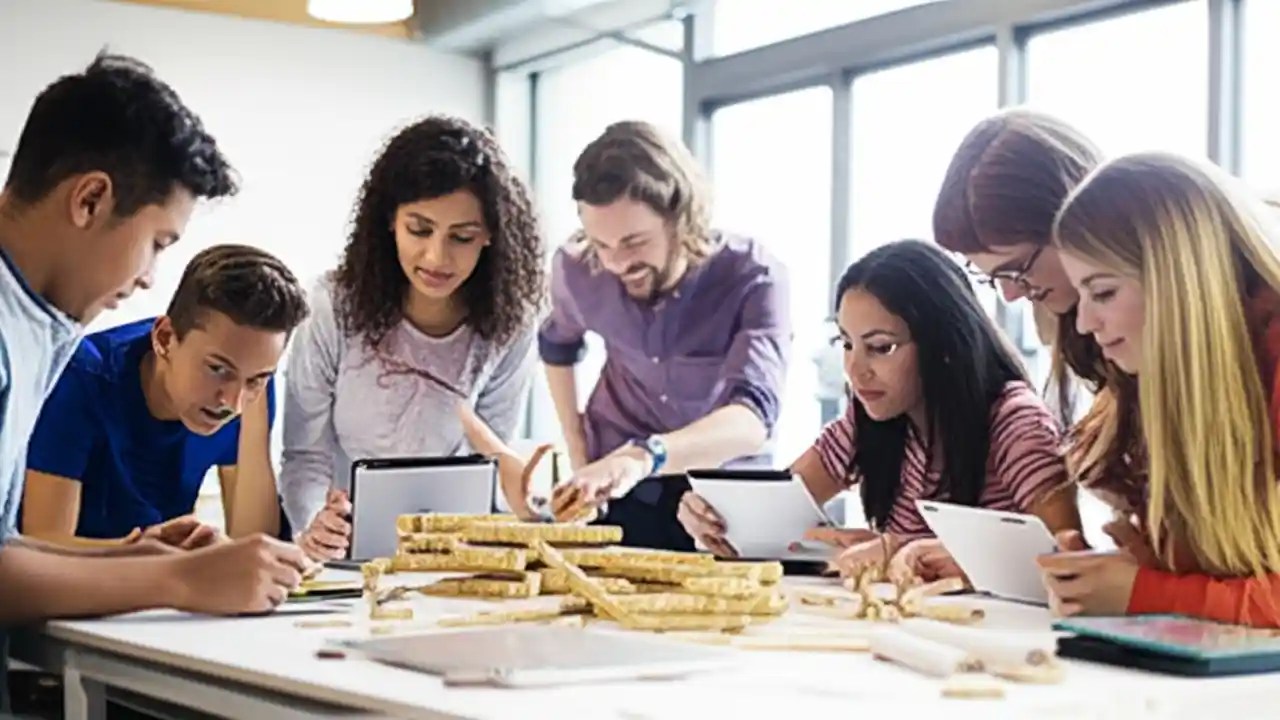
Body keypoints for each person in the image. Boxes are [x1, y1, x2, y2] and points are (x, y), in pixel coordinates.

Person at [0, 53, 308, 711]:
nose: (147, 278)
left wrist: (131, 556)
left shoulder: (35, 324)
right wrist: (176, 579)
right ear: (90, 199)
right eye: (159, 242)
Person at [678, 240, 1081, 576]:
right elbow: (773, 512)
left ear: (944, 346)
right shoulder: (869, 417)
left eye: (880, 348)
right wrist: (716, 519)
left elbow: (1064, 557)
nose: (855, 369)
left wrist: (898, 550)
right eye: (847, 343)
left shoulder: (1014, 420)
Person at [280, 115, 545, 560]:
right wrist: (313, 531)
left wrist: (530, 506)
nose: (436, 257)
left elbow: (490, 462)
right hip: (339, 554)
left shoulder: (511, 324)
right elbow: (304, 454)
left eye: (462, 236)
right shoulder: (331, 307)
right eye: (419, 230)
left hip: (449, 552)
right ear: (389, 221)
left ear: (491, 238)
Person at [1038, 152, 1280, 627]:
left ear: (1178, 279)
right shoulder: (1183, 380)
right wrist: (1153, 567)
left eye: (1103, 292)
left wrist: (1150, 590)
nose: (1085, 323)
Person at [539, 120, 792, 548]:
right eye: (601, 243)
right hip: (619, 488)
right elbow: (557, 345)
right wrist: (578, 447)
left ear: (681, 218)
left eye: (634, 242)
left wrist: (643, 456)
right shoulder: (577, 267)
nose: (617, 263)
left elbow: (752, 421)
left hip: (719, 493)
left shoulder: (753, 277)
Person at [21, 244, 308, 546]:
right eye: (217, 369)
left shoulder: (248, 388)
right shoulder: (82, 376)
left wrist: (256, 414)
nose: (233, 403)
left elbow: (255, 544)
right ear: (165, 338)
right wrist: (164, 560)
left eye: (258, 379)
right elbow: (43, 543)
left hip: (159, 580)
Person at [932, 108, 1116, 427]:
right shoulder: (1061, 321)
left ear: (1070, 218)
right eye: (992, 278)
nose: (1011, 293)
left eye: (1018, 268)